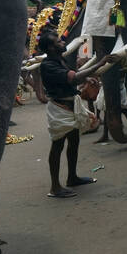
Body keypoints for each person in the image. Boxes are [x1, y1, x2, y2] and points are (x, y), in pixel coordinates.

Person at [38, 31, 110, 198]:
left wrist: (87, 80)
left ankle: (72, 177)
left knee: (74, 141)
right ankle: (55, 187)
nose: (63, 42)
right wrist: (99, 64)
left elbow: (71, 77)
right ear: (50, 47)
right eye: (58, 41)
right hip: (60, 108)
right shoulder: (48, 64)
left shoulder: (59, 60)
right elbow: (74, 78)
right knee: (57, 145)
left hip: (69, 106)